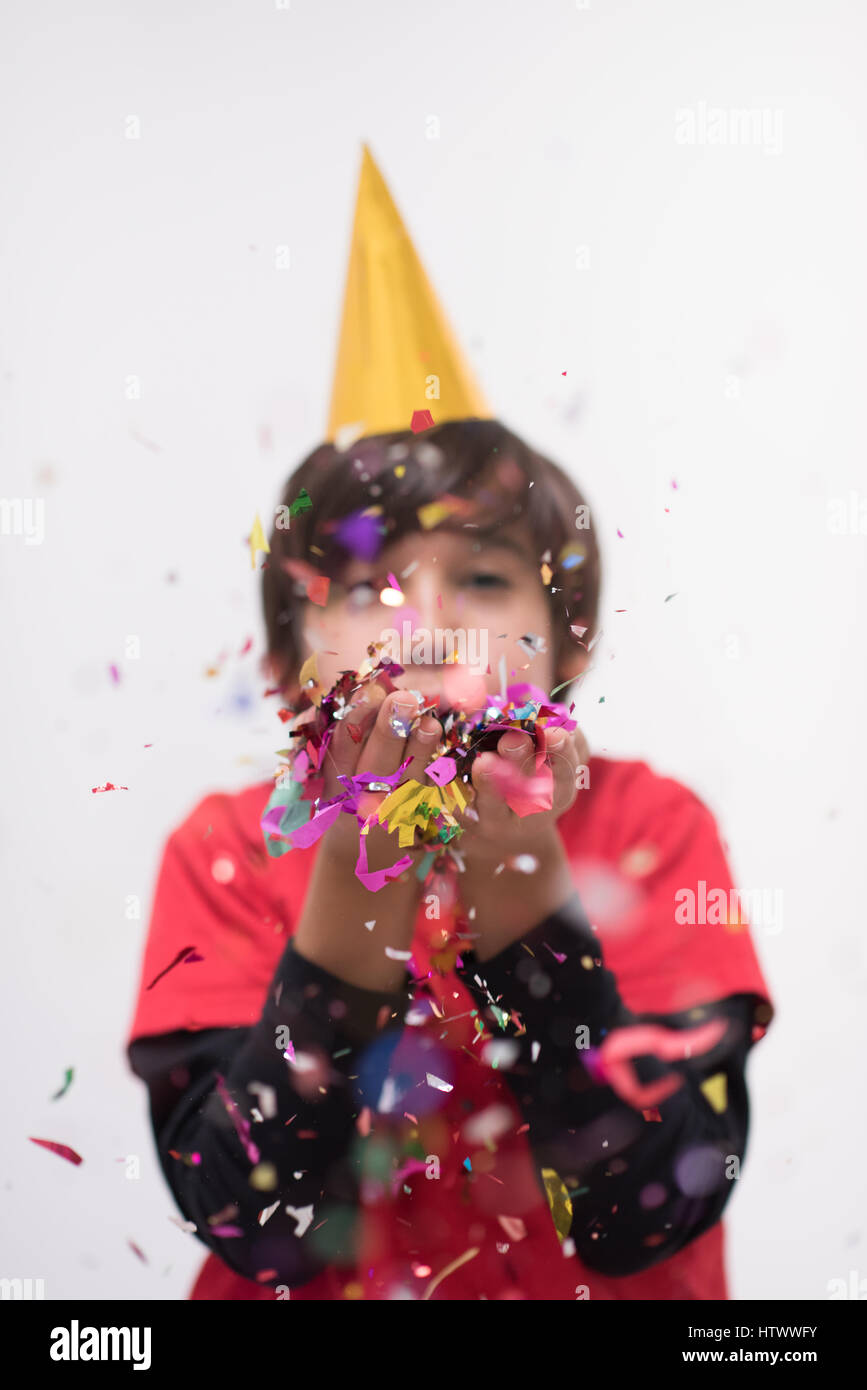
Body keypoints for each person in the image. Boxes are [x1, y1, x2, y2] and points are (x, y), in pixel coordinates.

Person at [125, 152, 775, 1302]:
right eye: (370, 587)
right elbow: (253, 1224)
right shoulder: (224, 852)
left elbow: (646, 1211)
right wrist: (349, 889)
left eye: (481, 577)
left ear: (567, 642)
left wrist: (522, 885)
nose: (424, 625)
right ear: (283, 663)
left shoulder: (656, 833)